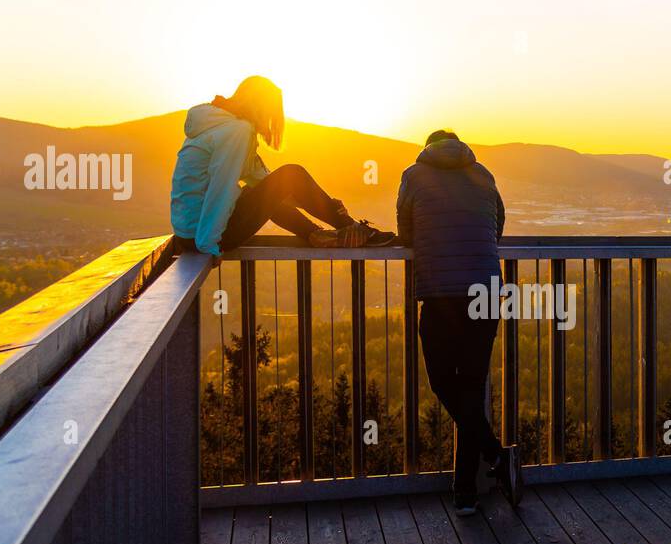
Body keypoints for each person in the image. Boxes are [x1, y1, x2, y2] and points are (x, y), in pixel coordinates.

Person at [397, 130, 522, 515]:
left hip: (439, 293)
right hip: (484, 294)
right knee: (469, 388)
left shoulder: (414, 175)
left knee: (442, 383)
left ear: (428, 148)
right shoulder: (483, 174)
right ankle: (471, 486)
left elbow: (406, 232)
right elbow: (497, 227)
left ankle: (486, 469)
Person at [170, 75, 393, 256]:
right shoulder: (237, 131)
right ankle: (351, 229)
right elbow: (223, 187)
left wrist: (330, 205)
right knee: (292, 173)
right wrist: (208, 245)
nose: (271, 120)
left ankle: (319, 234)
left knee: (267, 188)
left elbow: (269, 184)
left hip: (188, 233)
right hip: (202, 236)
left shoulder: (216, 123)